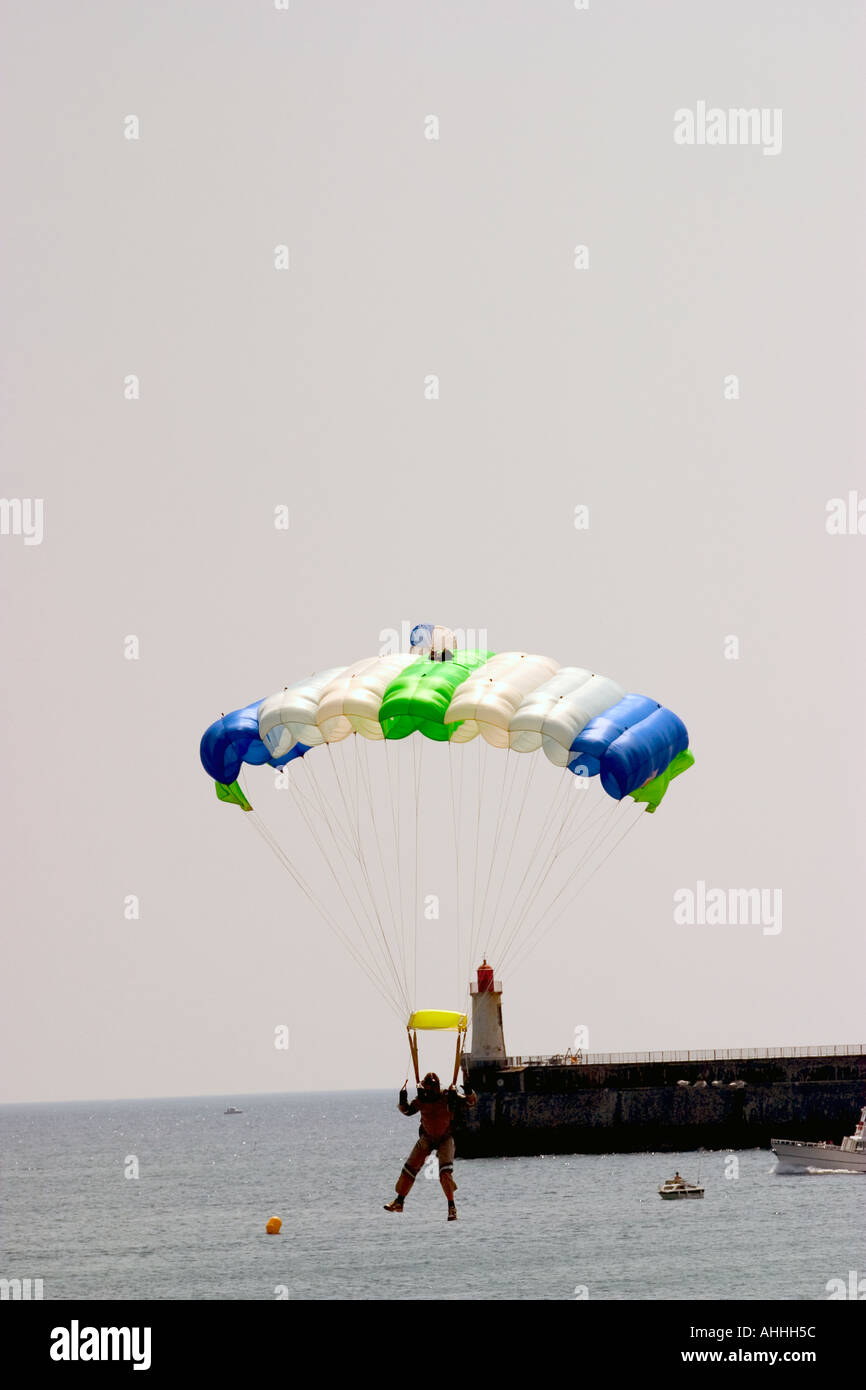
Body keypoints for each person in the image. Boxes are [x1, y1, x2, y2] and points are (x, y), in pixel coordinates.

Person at [384, 1071, 477, 1221]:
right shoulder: (422, 1100)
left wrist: (468, 1091)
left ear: (437, 1087)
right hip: (427, 1137)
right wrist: (402, 1100)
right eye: (427, 1089)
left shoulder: (448, 1096)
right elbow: (407, 1110)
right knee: (409, 1168)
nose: (430, 1092)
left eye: (432, 1089)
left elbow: (470, 1102)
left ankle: (451, 1207)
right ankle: (399, 1201)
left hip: (445, 1138)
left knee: (445, 1173)